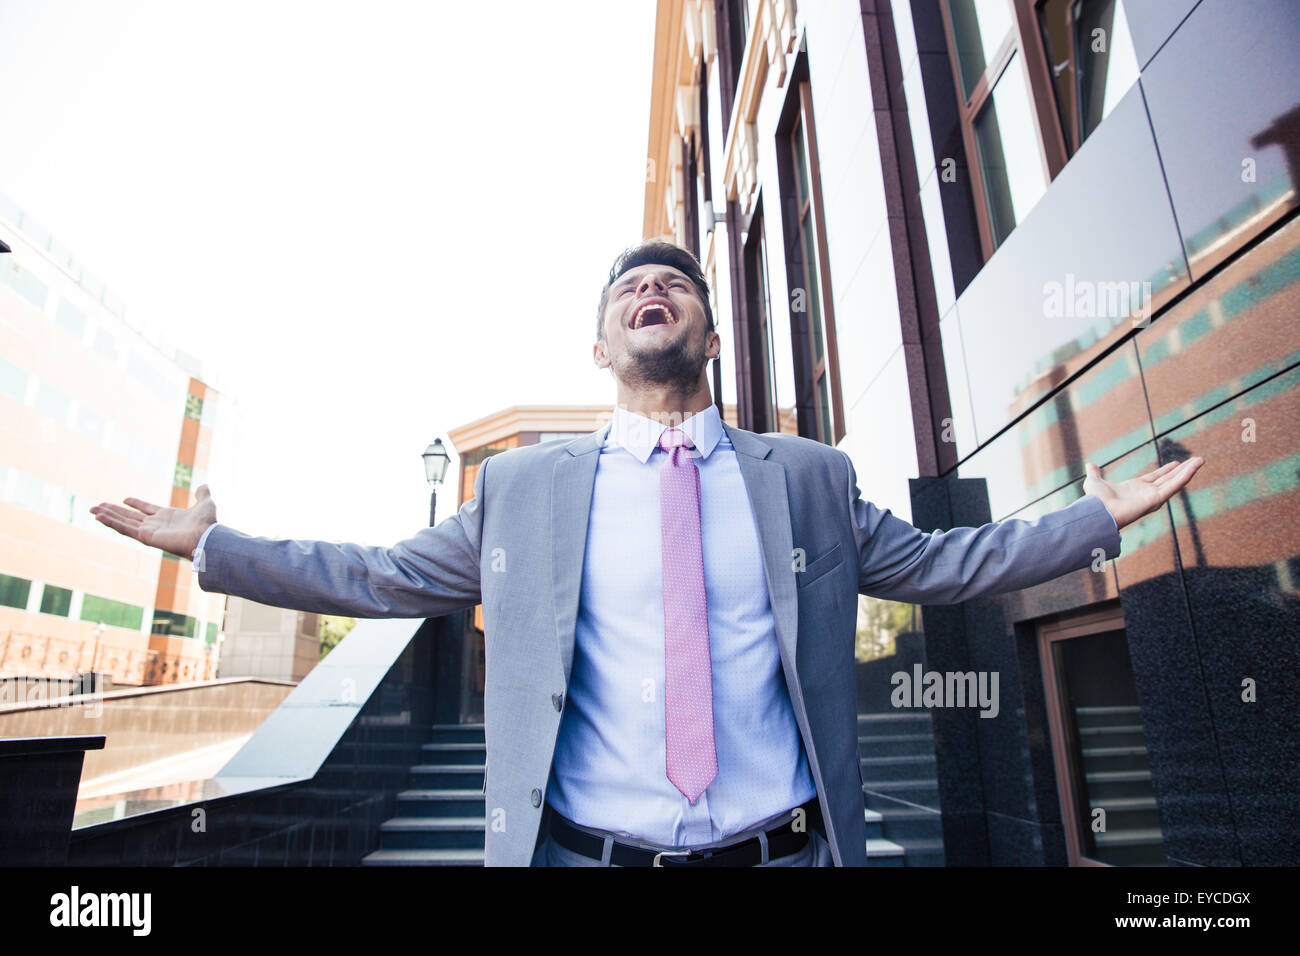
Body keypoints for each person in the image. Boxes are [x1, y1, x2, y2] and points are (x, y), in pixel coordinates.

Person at [91, 240, 1204, 866]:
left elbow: (945, 564)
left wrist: (1095, 517)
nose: (651, 290)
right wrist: (218, 546)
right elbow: (376, 574)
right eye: (628, 288)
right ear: (599, 346)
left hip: (784, 854)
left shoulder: (805, 477)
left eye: (674, 284)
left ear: (711, 336)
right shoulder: (523, 491)